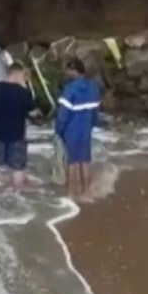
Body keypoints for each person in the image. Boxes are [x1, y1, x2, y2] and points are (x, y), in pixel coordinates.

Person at [0, 63, 35, 191]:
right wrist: (25, 87)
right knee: (18, 169)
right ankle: (18, 199)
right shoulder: (23, 92)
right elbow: (33, 112)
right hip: (16, 134)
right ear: (19, 74)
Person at [55, 58, 101, 199]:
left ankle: (71, 193)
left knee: (72, 162)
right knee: (85, 160)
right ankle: (86, 192)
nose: (67, 73)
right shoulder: (93, 87)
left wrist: (59, 130)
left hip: (71, 129)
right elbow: (95, 112)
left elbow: (63, 115)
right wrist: (92, 124)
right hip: (86, 128)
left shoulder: (70, 90)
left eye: (68, 70)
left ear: (73, 70)